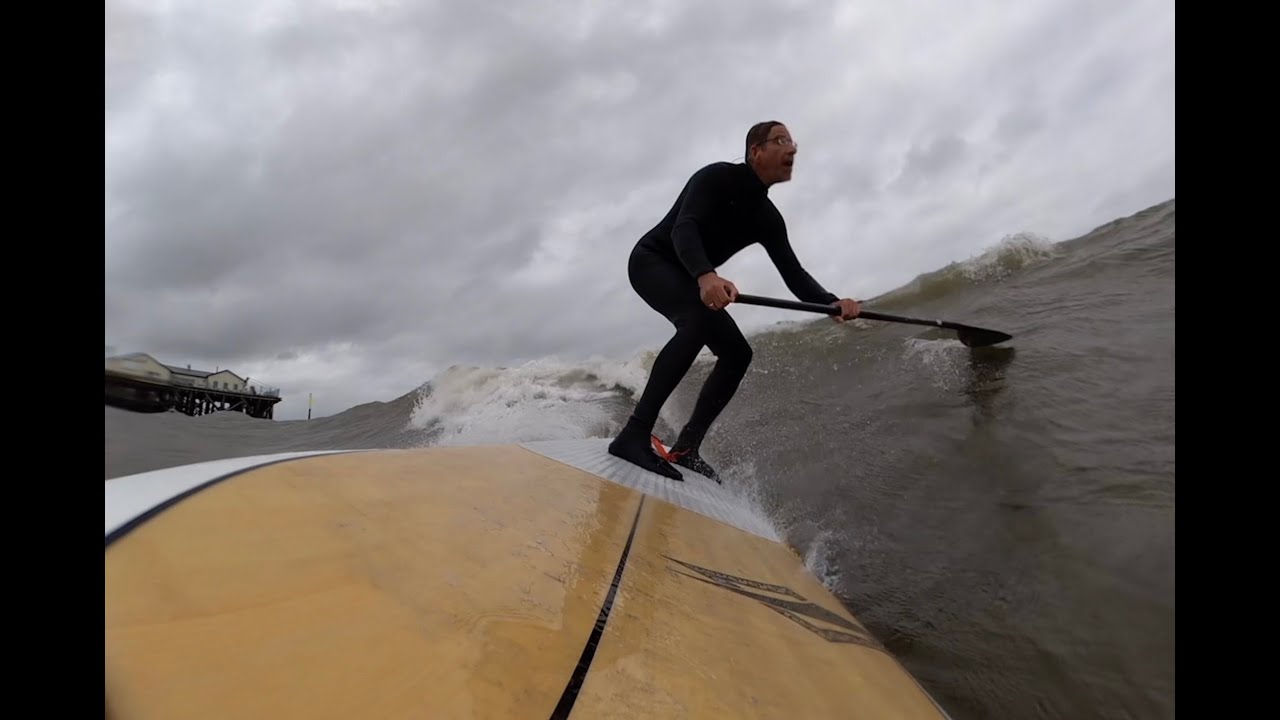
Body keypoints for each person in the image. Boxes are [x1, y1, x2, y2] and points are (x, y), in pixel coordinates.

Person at [608, 121, 861, 482]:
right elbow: (685, 227)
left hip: (691, 277)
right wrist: (706, 275)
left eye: (793, 143)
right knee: (695, 323)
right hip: (652, 261)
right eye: (781, 140)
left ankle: (686, 447)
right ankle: (633, 435)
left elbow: (795, 275)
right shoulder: (716, 178)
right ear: (755, 151)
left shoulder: (767, 218)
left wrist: (833, 303)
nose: (791, 149)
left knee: (738, 353)